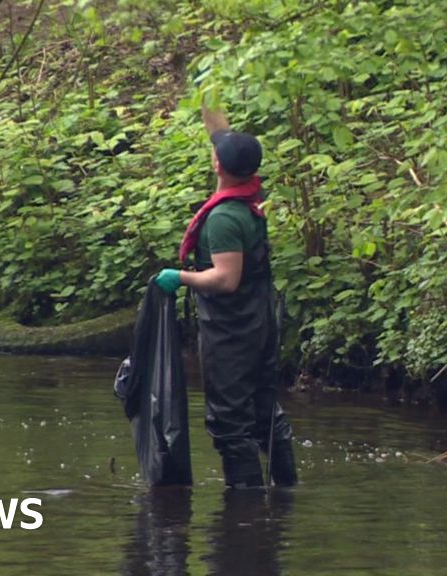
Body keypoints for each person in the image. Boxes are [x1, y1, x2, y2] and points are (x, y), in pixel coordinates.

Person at [151, 104, 298, 489]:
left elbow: (226, 279)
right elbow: (220, 133)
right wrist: (206, 94)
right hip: (261, 323)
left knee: (231, 423)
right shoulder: (252, 191)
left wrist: (179, 277)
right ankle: (286, 494)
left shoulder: (224, 220)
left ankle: (245, 513)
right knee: (265, 412)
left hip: (234, 332)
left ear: (217, 165)